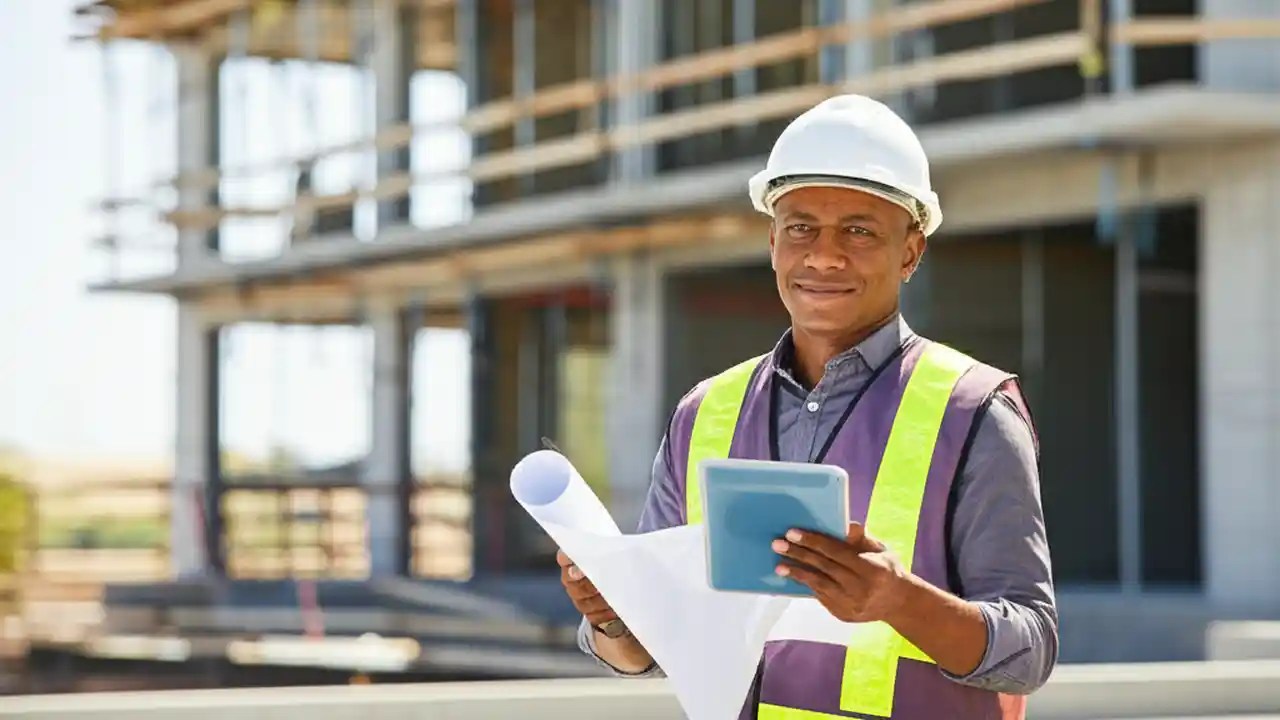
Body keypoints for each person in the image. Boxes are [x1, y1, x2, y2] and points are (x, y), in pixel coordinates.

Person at [557, 94, 1057, 720]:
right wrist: (611, 616)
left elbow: (1029, 650)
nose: (824, 255)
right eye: (801, 228)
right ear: (773, 242)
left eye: (859, 230)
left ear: (911, 252)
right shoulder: (705, 413)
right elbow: (651, 651)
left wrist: (898, 600)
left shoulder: (974, 410)